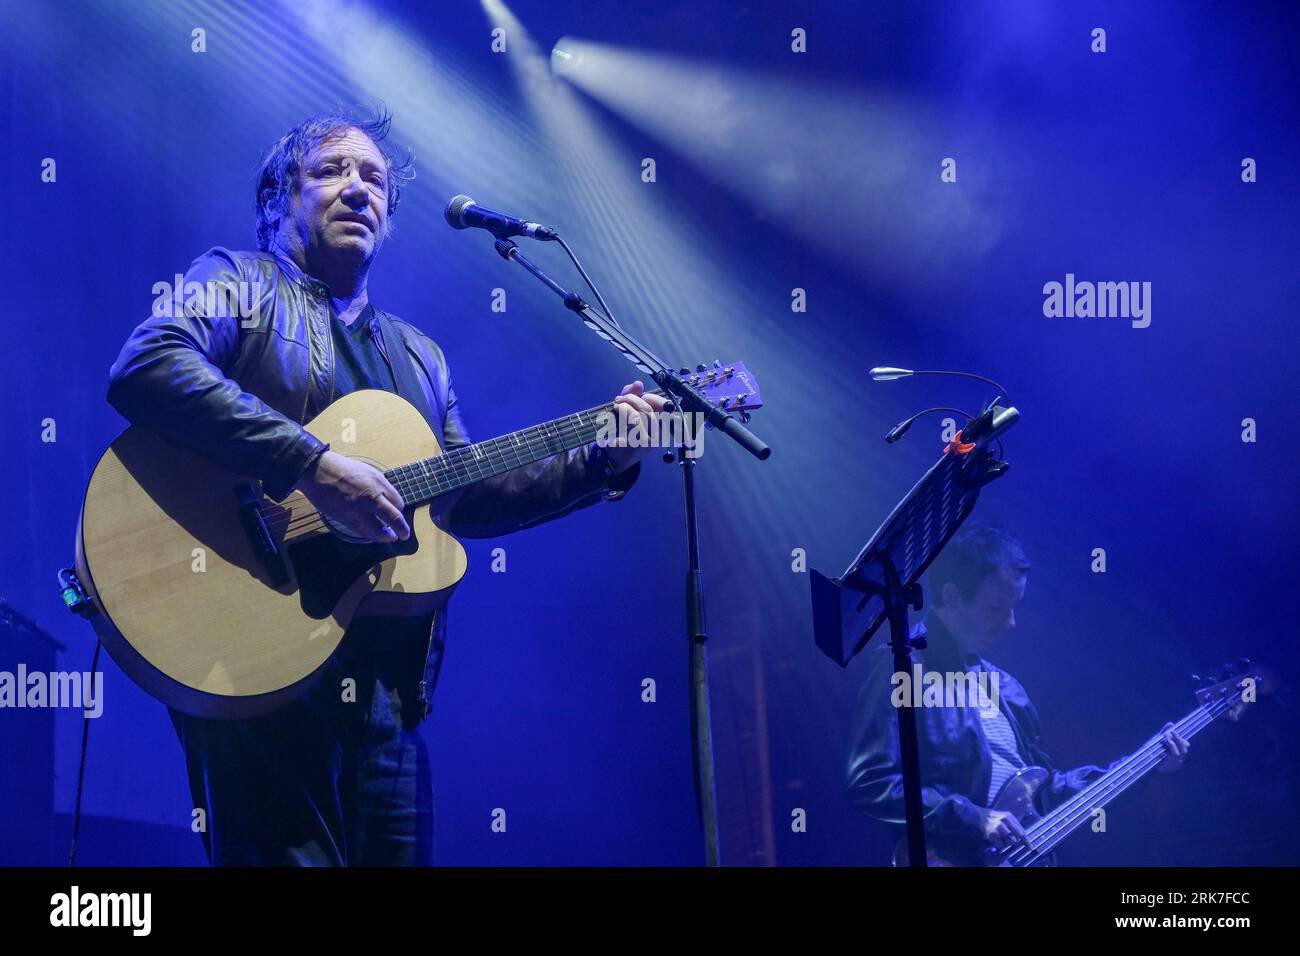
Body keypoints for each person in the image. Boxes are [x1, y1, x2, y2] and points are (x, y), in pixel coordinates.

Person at [105, 108, 666, 865]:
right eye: (332, 170)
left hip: (385, 695)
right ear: (279, 200)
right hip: (250, 654)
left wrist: (604, 461)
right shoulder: (238, 281)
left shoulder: (420, 358)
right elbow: (148, 365)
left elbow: (467, 495)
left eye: (374, 178)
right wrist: (312, 465)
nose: (358, 188)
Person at [844, 522, 1189, 864]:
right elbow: (870, 781)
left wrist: (1145, 764)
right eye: (996, 608)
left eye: (1014, 607)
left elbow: (1044, 794)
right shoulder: (903, 668)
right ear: (951, 596)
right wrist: (974, 817)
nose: (1011, 622)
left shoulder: (1005, 688)